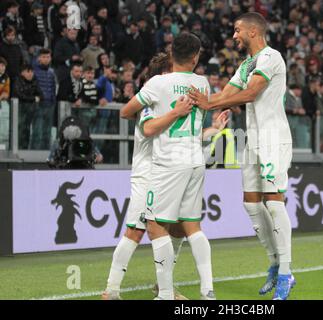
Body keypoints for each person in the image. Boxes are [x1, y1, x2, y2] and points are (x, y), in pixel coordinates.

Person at [103, 51, 229, 300]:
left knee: (179, 230)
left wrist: (213, 129)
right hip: (148, 173)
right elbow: (149, 128)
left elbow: (183, 134)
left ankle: (164, 287)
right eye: (170, 73)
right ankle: (112, 289)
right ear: (162, 75)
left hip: (171, 172)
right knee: (136, 231)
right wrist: (176, 112)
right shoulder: (150, 104)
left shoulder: (168, 97)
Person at [189, 12, 295, 300]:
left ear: (252, 32)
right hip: (252, 139)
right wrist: (205, 103)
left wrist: (208, 102)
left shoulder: (271, 57)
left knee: (274, 203)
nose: (233, 36)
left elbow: (249, 94)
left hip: (274, 138)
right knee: (250, 203)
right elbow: (228, 93)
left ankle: (286, 272)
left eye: (237, 30)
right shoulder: (247, 64)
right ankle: (274, 260)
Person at [135, 33, 216, 301]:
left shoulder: (159, 82)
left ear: (171, 54)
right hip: (196, 159)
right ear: (195, 57)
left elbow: (134, 112)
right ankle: (207, 291)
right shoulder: (203, 83)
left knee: (155, 225)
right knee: (192, 225)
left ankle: (165, 294)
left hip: (169, 161)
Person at [13, 64, 43, 149]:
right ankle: (17, 149)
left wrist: (31, 98)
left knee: (27, 131)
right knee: (20, 130)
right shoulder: (17, 81)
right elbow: (20, 95)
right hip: (20, 110)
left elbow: (41, 95)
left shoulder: (35, 81)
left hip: (31, 111)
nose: (30, 74)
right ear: (22, 72)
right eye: (28, 71)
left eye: (32, 71)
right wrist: (33, 98)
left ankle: (26, 149)